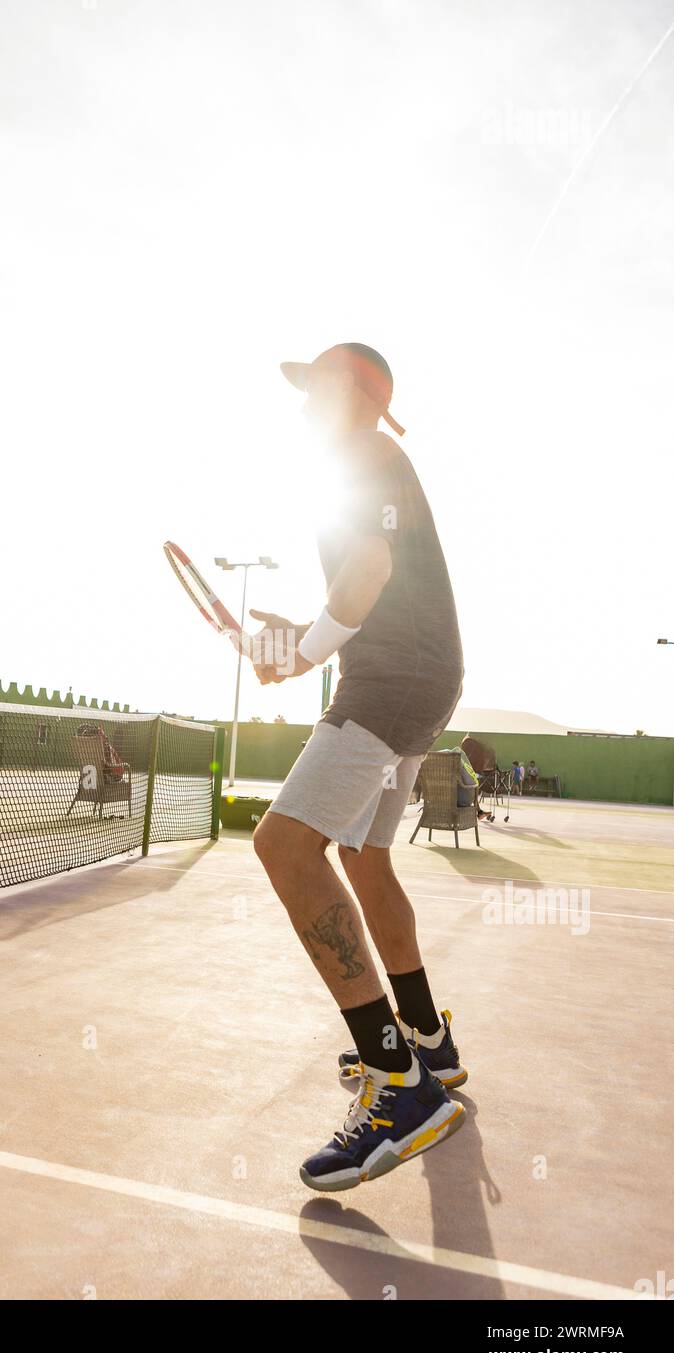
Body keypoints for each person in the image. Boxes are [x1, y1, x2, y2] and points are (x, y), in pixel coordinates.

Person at [249, 342, 467, 1191]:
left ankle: (398, 1084)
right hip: (423, 678)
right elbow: (364, 584)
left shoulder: (362, 456)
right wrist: (302, 634)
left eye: (315, 388)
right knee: (363, 856)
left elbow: (369, 571)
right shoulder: (376, 462)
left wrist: (303, 655)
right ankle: (427, 1043)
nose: (304, 403)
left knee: (283, 848)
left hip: (393, 682)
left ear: (351, 394)